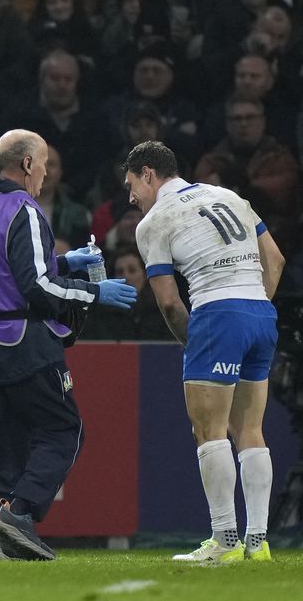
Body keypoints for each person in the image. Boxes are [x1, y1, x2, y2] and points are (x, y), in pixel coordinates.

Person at [0, 129, 137, 561]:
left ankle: (9, 534)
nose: (46, 172)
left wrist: (63, 260)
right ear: (26, 165)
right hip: (23, 342)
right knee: (62, 429)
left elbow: (0, 268)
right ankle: (20, 515)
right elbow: (37, 287)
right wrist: (94, 292)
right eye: (44, 163)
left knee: (8, 439)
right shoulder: (24, 208)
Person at [125, 140, 284, 562]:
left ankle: (223, 542)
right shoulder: (230, 196)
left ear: (148, 174)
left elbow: (170, 302)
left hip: (218, 315)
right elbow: (276, 258)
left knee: (208, 431)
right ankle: (259, 543)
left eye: (132, 186)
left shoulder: (155, 221)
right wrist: (254, 304)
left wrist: (199, 341)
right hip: (260, 315)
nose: (131, 198)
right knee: (250, 430)